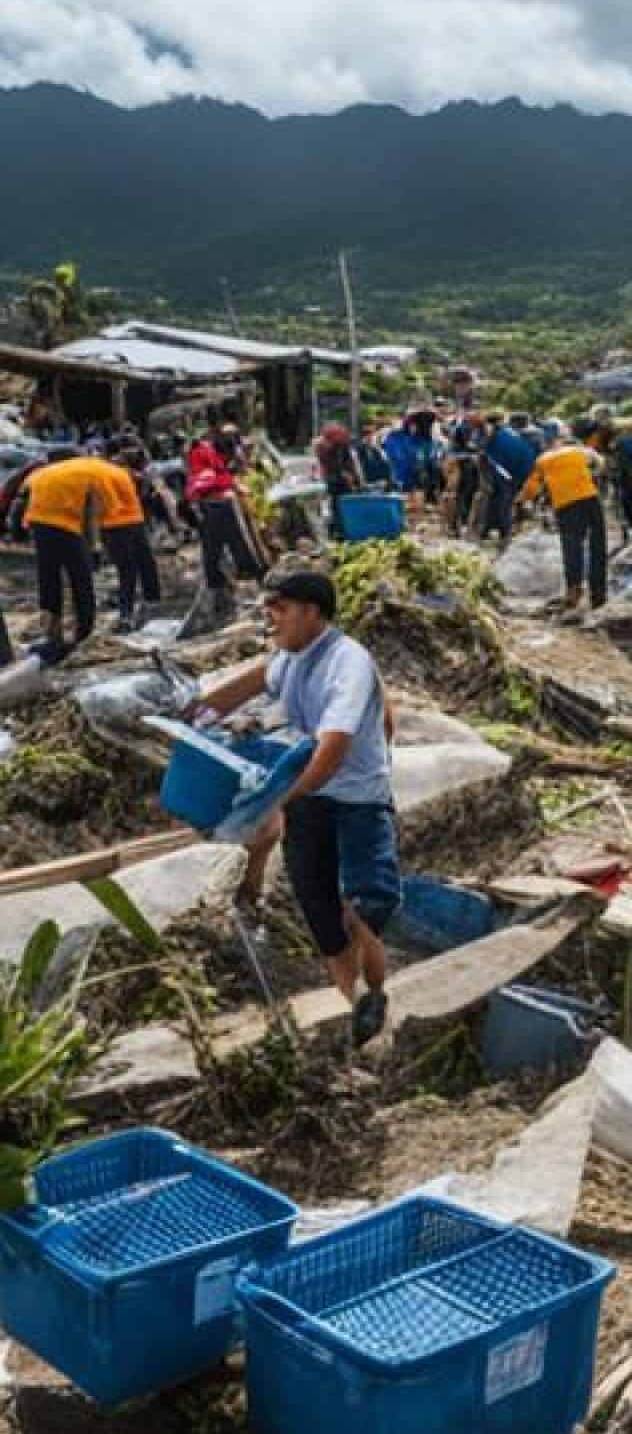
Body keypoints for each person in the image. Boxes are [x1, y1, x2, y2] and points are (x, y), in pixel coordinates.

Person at [189, 570, 400, 1047]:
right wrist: (194, 715)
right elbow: (241, 687)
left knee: (365, 902)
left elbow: (333, 750)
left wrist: (275, 801)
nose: (270, 616)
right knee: (320, 910)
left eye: (279, 607)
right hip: (309, 799)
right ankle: (349, 1008)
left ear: (312, 612)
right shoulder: (289, 659)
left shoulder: (347, 664)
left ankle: (377, 989)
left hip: (357, 804)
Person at [19, 445, 102, 651]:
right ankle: (84, 631)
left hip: (39, 526)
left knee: (48, 578)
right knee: (81, 577)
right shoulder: (82, 472)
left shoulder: (40, 474)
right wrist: (95, 548)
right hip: (65, 527)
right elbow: (89, 514)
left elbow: (23, 501)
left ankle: (52, 633)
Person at [522, 426, 609, 613]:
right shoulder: (581, 451)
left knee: (572, 546)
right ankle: (599, 595)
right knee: (597, 546)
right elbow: (601, 464)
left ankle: (573, 591)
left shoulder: (543, 459)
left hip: (565, 504)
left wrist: (522, 502)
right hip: (590, 499)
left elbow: (532, 487)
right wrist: (592, 476)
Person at [187, 420, 265, 603]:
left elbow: (221, 476)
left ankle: (223, 584)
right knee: (231, 544)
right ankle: (232, 582)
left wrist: (233, 485)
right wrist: (231, 486)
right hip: (215, 508)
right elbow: (207, 482)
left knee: (221, 547)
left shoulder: (208, 453)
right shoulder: (205, 456)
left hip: (214, 507)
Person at [97, 448, 161, 632]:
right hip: (134, 523)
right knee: (146, 564)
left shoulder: (105, 474)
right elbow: (146, 494)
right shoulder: (133, 476)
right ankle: (153, 601)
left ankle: (126, 614)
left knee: (126, 570)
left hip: (111, 527)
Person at [483, 414, 539, 545]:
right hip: (517, 473)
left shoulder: (501, 434)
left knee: (499, 501)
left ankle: (497, 530)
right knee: (504, 501)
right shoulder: (526, 436)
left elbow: (488, 453)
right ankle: (503, 531)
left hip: (505, 472)